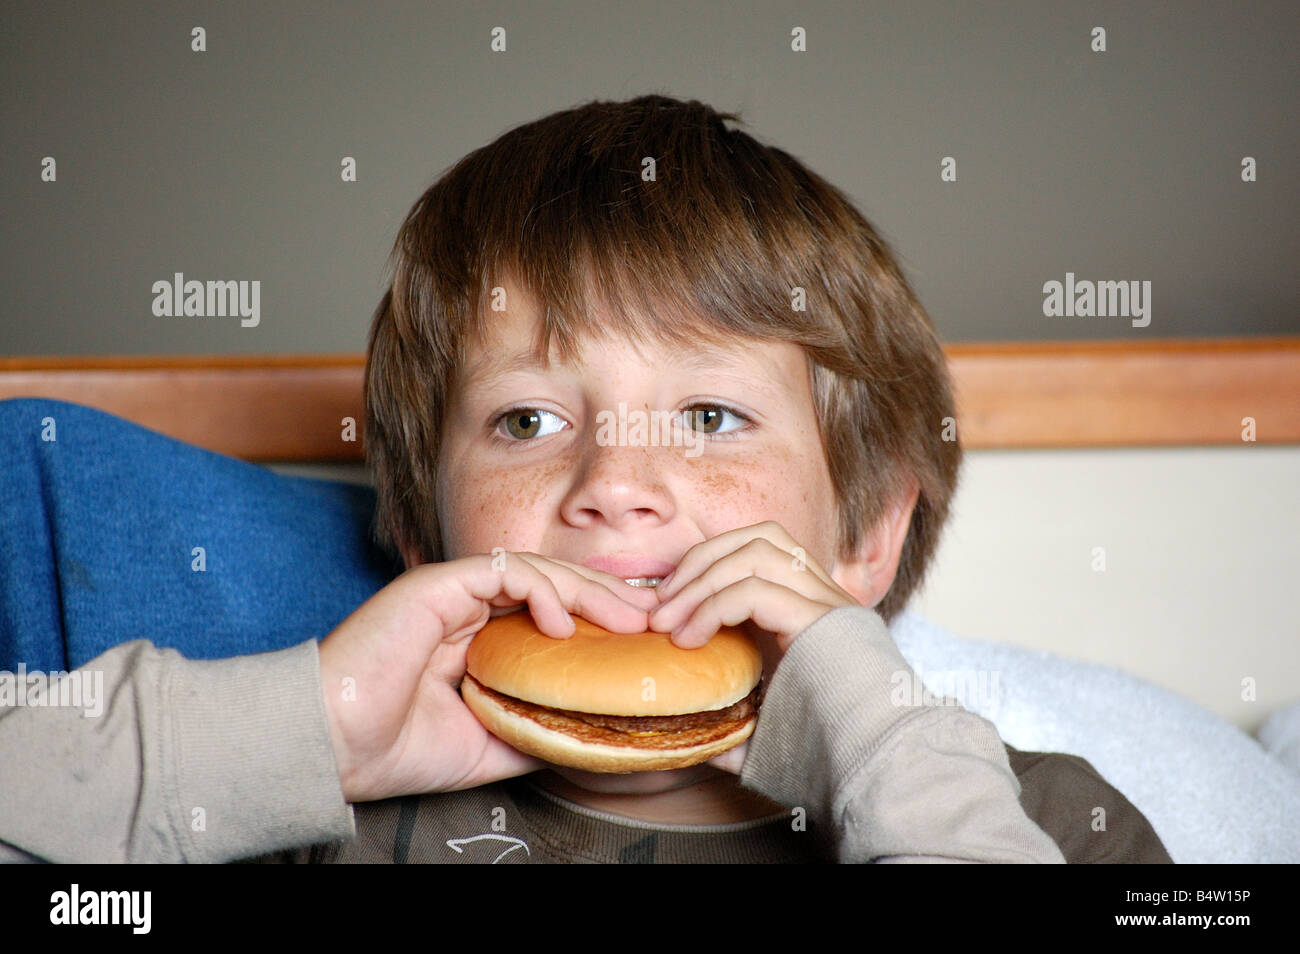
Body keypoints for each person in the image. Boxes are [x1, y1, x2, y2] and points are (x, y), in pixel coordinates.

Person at [0, 95, 1170, 863]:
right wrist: (308, 731)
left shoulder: (1042, 817)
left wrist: (883, 744)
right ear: (421, 533)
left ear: (866, 532)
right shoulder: (317, 812)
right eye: (527, 420)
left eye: (711, 416)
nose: (615, 481)